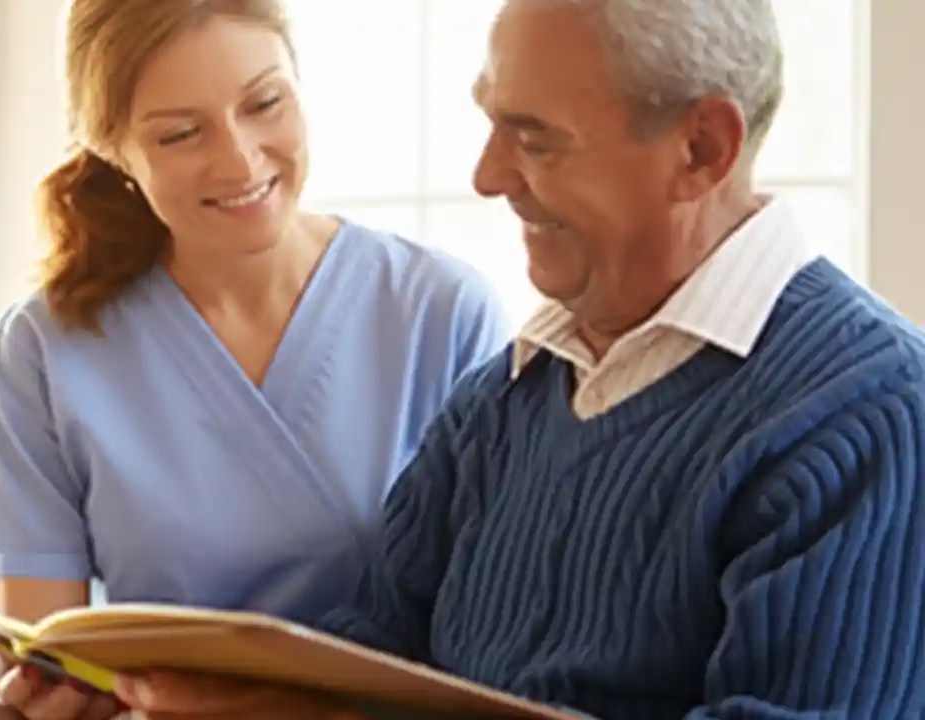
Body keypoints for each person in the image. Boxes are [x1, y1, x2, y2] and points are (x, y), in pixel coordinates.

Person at [111, 0, 925, 718]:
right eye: (493, 123)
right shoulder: (501, 401)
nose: (488, 174)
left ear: (701, 149)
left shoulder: (869, 413)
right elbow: (368, 657)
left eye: (534, 139)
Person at [0, 0, 510, 719]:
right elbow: (43, 639)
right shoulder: (47, 349)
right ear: (113, 148)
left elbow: (490, 637)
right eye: (181, 134)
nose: (240, 159)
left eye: (265, 103)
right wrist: (42, 690)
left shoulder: (440, 311)